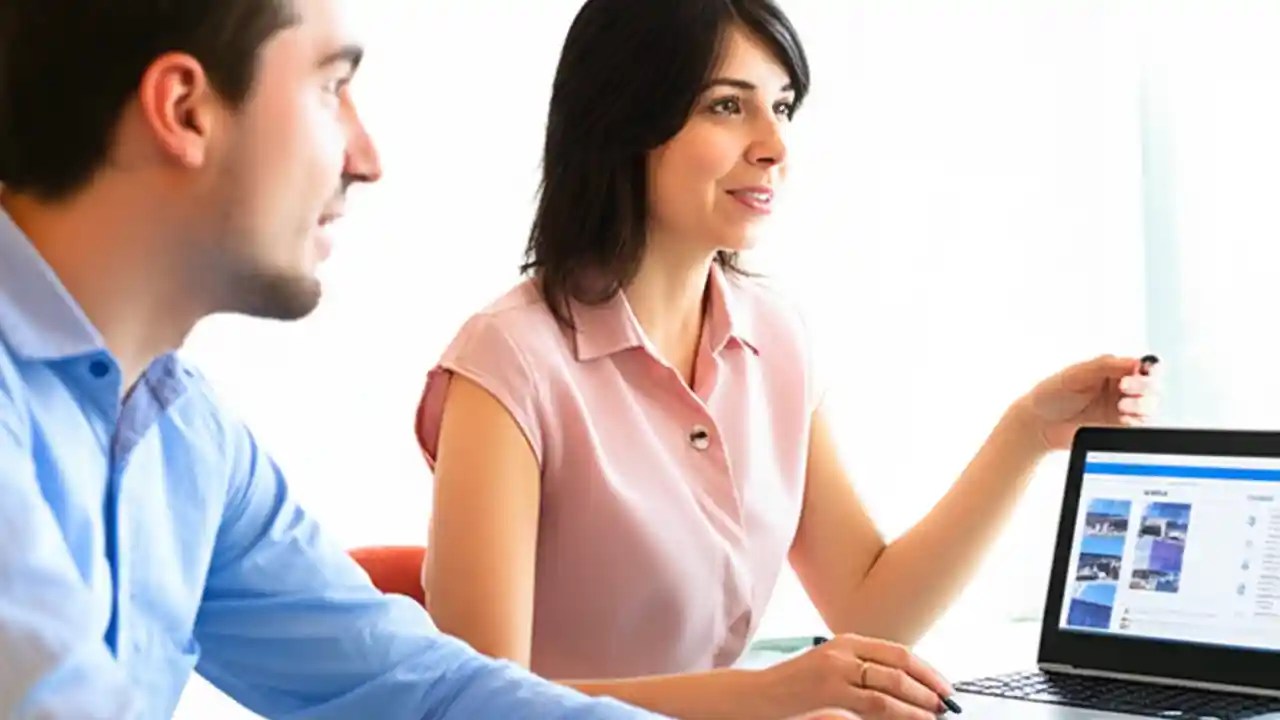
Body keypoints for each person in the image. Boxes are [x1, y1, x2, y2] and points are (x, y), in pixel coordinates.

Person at [0, 1, 831, 718]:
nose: (365, 157)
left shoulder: (186, 438)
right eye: (331, 88)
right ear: (184, 110)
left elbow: (427, 692)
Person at [414, 1, 1159, 719]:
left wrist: (1026, 435)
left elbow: (874, 608)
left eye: (784, 105)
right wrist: (768, 698)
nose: (775, 143)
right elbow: (481, 704)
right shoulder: (508, 360)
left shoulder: (775, 342)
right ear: (624, 120)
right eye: (727, 106)